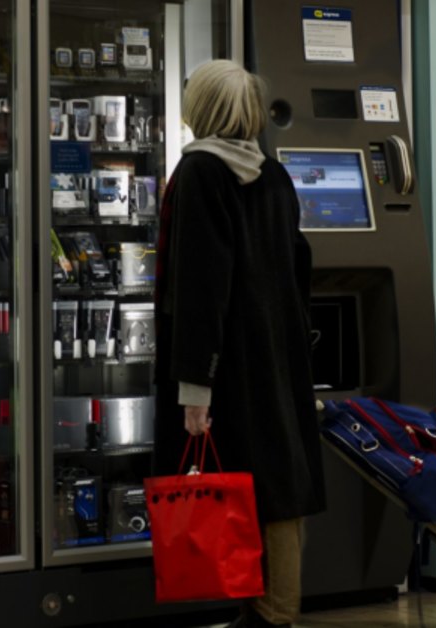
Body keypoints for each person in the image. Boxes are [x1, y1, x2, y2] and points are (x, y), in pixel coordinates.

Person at [152, 59, 326, 628]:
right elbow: (298, 268)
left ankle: (266, 613)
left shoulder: (200, 172)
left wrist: (194, 386)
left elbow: (199, 286)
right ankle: (277, 609)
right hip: (278, 355)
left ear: (200, 108)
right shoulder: (273, 175)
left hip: (225, 364)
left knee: (238, 484)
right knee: (278, 488)